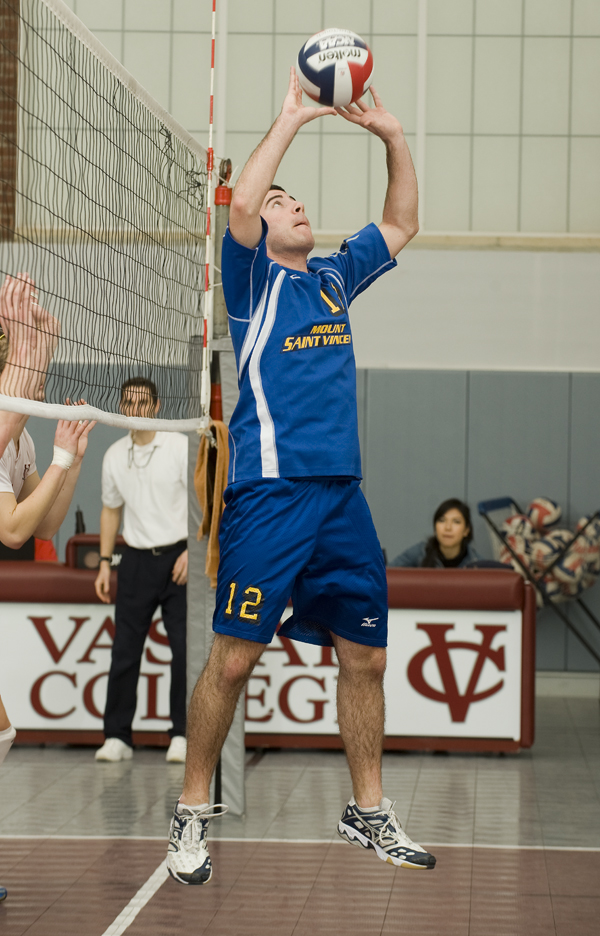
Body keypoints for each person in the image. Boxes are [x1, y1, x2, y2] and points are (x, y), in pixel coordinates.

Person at [166, 68, 436, 886]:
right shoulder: (251, 285)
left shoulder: (330, 280)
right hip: (268, 499)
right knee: (234, 661)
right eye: (286, 203)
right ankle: (190, 809)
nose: (297, 208)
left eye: (298, 203)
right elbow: (242, 209)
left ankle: (368, 808)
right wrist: (290, 115)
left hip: (339, 498)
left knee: (366, 658)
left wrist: (390, 134)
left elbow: (401, 222)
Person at [0, 272, 93, 905]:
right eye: (31, 372)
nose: (40, 380)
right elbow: (11, 532)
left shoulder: (21, 437)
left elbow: (47, 522)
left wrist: (71, 457)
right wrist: (29, 348)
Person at [94, 377, 189, 764]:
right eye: (128, 402)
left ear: (156, 405)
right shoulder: (114, 454)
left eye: (142, 402)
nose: (135, 409)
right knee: (124, 652)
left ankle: (182, 734)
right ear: (121, 406)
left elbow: (206, 505)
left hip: (180, 560)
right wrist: (104, 563)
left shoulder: (179, 445)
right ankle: (117, 736)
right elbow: (110, 509)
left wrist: (193, 554)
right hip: (133, 559)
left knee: (183, 651)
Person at [391, 498, 479, 569]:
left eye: (456, 522)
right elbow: (387, 574)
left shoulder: (476, 562)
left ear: (466, 530)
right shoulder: (421, 552)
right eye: (442, 521)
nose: (448, 527)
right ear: (435, 528)